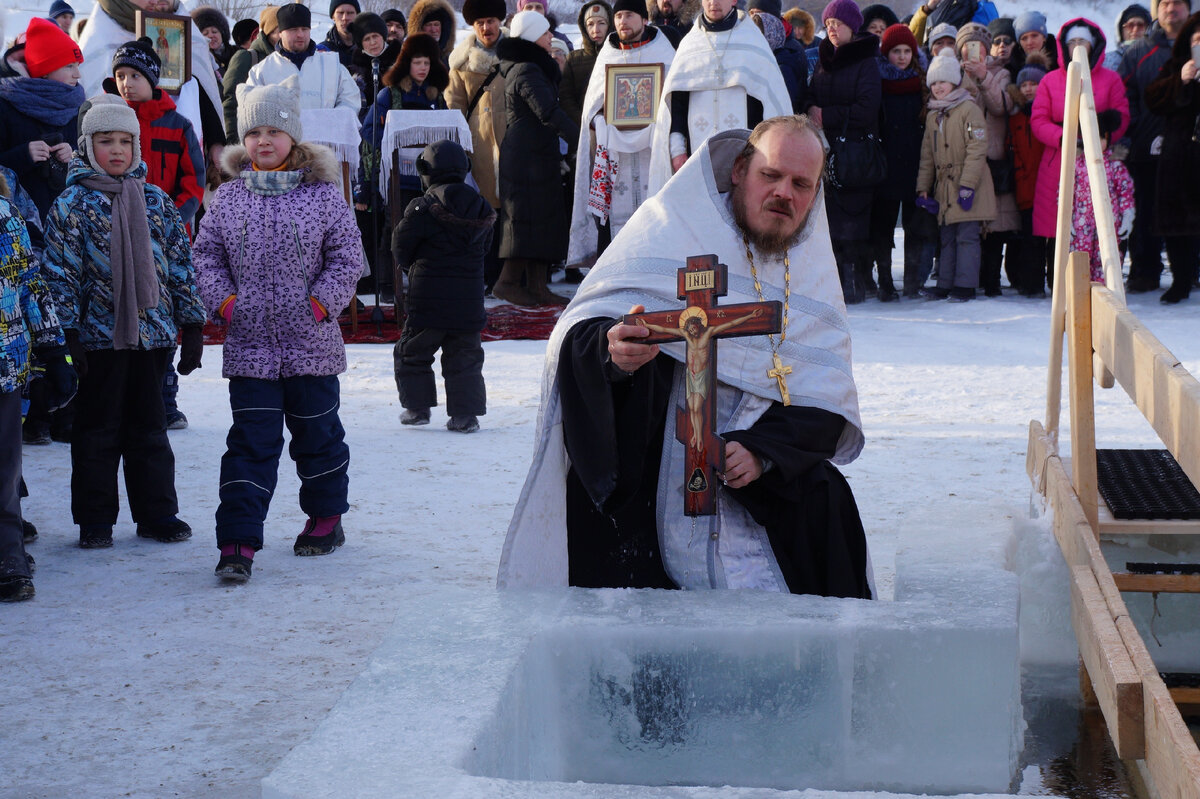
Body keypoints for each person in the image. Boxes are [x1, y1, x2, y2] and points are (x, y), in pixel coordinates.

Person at [498, 117, 871, 598]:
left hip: (756, 484)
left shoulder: (812, 270)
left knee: (827, 509)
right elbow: (586, 328)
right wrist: (614, 353)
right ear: (739, 170)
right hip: (653, 459)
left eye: (802, 184)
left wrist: (766, 451)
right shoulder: (668, 228)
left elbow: (826, 396)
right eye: (771, 175)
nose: (785, 193)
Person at [193, 83, 361, 582]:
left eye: (275, 130)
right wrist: (224, 302)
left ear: (293, 136)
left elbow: (348, 258)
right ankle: (238, 543)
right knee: (250, 443)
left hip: (311, 346)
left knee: (318, 436)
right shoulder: (227, 199)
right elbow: (205, 257)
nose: (264, 140)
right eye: (254, 131)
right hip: (250, 350)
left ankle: (326, 519)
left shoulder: (324, 196)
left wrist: (318, 304)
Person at [42, 95, 205, 549]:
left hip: (152, 336)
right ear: (87, 147)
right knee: (96, 431)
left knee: (149, 429)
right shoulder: (71, 204)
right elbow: (59, 273)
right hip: (98, 339)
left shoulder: (155, 202)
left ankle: (158, 514)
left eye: (125, 141)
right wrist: (67, 336)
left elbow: (179, 265)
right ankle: (96, 520)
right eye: (105, 141)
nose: (116, 150)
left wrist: (191, 326)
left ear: (137, 146)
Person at [105, 38, 206, 430]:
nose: (127, 83)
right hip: (115, 234)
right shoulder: (108, 123)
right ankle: (121, 397)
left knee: (162, 316)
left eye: (134, 75)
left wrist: (174, 221)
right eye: (120, 75)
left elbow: (193, 182)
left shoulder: (178, 125)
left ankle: (165, 398)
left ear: (152, 77)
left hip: (166, 240)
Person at [0, 172, 75, 602]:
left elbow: (30, 284)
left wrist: (54, 350)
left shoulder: (6, 215)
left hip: (4, 365)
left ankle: (7, 554)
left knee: (3, 467)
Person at [392, 140, 494, 433]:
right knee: (465, 358)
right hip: (469, 301)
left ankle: (418, 408)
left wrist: (413, 266)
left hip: (428, 301)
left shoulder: (422, 207)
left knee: (412, 352)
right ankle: (465, 416)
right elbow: (484, 247)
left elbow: (401, 246)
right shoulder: (481, 206)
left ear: (426, 171)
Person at [566, 0, 675, 268]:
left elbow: (677, 101)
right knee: (613, 222)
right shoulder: (609, 54)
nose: (622, 22)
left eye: (629, 15)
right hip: (616, 155)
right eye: (618, 16)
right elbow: (591, 108)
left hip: (653, 152)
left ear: (644, 19)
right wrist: (599, 122)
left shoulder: (664, 52)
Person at [648, 0, 790, 189]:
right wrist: (677, 151)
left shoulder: (752, 42)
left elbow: (767, 106)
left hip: (745, 158)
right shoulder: (690, 45)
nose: (714, 3)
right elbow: (677, 105)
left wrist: (760, 155)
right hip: (695, 159)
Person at [493, 10, 579, 306]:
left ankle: (538, 287)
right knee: (524, 219)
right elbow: (548, 112)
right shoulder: (527, 70)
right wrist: (580, 138)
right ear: (531, 36)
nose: (550, 37)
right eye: (544, 33)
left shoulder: (529, 66)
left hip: (535, 152)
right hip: (526, 155)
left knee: (541, 218)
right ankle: (507, 283)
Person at [77, 0, 226, 164]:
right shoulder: (101, 37)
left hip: (177, 155)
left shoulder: (184, 31)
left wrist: (215, 141)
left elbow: (200, 89)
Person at [806, 0, 883, 304]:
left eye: (838, 23)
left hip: (856, 153)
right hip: (826, 150)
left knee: (854, 220)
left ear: (853, 26)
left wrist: (826, 114)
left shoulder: (866, 62)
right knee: (831, 221)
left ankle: (854, 283)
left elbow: (867, 108)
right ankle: (833, 283)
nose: (833, 30)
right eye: (828, 25)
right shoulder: (825, 60)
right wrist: (811, 107)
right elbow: (811, 95)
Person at [1031, 19, 1128, 259]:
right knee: (1059, 226)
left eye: (1081, 41)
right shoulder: (1050, 80)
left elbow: (1122, 115)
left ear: (1093, 45)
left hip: (1097, 156)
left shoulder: (1111, 79)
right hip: (1060, 156)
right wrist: (1064, 137)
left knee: (1099, 225)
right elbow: (1039, 119)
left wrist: (1104, 137)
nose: (1076, 46)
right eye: (1071, 41)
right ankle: (1058, 286)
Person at [1119, 0, 1194, 295]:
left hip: (1190, 149)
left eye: (1178, 2)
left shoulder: (1196, 45)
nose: (1171, 8)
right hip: (1145, 149)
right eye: (1165, 2)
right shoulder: (1138, 51)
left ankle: (1188, 274)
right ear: (1156, 9)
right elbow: (1125, 96)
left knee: (1190, 211)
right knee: (1145, 212)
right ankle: (1145, 272)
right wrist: (1135, 131)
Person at [917, 53, 996, 301]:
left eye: (943, 82)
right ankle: (945, 283)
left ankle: (965, 284)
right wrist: (923, 188)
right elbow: (928, 154)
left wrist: (967, 185)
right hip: (945, 188)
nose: (938, 87)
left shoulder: (969, 109)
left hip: (969, 184)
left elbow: (977, 148)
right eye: (934, 83)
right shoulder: (933, 115)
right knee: (947, 237)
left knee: (967, 236)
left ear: (954, 82)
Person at [446, 0, 507, 292]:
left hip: (513, 145)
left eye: (491, 20)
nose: (486, 27)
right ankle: (485, 274)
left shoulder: (516, 53)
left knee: (513, 211)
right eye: (480, 22)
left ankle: (511, 275)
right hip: (478, 145)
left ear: (500, 21)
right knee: (484, 213)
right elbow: (454, 105)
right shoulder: (461, 63)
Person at [0, 18, 85, 220]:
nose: (78, 74)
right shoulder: (6, 105)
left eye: (78, 65)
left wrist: (74, 156)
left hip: (68, 223)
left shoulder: (78, 105)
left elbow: (93, 163)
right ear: (45, 70)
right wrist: (24, 154)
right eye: (69, 66)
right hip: (18, 224)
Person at [872, 23, 934, 298]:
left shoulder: (922, 83)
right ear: (886, 53)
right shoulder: (878, 83)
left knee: (915, 226)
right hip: (886, 164)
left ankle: (912, 281)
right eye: (895, 51)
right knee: (883, 226)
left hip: (914, 163)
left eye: (907, 51)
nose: (901, 56)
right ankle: (884, 279)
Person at [957, 22, 1018, 297]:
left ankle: (992, 281)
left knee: (995, 226)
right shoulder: (954, 73)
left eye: (980, 46)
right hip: (963, 157)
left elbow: (999, 106)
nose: (976, 51)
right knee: (968, 223)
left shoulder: (1000, 73)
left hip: (993, 158)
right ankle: (969, 278)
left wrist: (983, 76)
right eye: (970, 46)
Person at [1143, 10, 1200, 303]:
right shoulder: (1176, 65)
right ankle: (1180, 281)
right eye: (1198, 39)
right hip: (1179, 158)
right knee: (1178, 225)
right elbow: (1152, 98)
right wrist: (1181, 79)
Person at [245, 3, 359, 113]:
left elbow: (350, 100)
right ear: (280, 32)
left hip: (324, 132)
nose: (300, 34)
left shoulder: (331, 65)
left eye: (304, 29)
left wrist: (329, 121)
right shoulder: (262, 71)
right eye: (293, 30)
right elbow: (252, 109)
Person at [1069, 109, 1135, 285]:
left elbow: (1125, 191)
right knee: (1081, 258)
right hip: (1081, 224)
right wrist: (1066, 217)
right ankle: (1081, 293)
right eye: (1092, 139)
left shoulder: (1115, 165)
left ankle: (1106, 293)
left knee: (1106, 258)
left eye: (1101, 138)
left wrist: (1127, 215)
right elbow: (1066, 191)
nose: (1097, 144)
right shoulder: (1076, 165)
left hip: (1108, 223)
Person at [1007, 52, 1050, 296]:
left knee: (1052, 239)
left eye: (1034, 84)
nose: (1028, 89)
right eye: (1024, 85)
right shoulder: (1015, 118)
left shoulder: (1052, 114)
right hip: (1025, 186)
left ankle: (1055, 282)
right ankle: (1031, 283)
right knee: (1029, 238)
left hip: (1048, 185)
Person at [223, 6, 279, 143]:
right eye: (279, 30)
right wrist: (233, 139)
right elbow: (230, 98)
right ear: (269, 32)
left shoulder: (284, 60)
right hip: (249, 139)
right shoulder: (246, 57)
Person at [560, 2, 613, 128]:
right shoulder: (573, 59)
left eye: (601, 23)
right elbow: (566, 98)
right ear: (584, 27)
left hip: (614, 132)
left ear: (609, 25)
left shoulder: (619, 56)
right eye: (590, 24)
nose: (596, 30)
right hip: (582, 131)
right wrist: (586, 122)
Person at [347, 12, 402, 119]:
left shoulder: (401, 61)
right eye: (367, 39)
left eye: (375, 36)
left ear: (383, 36)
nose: (372, 42)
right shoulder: (353, 72)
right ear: (361, 44)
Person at [407, 0, 457, 67]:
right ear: (420, 28)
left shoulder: (452, 59)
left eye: (436, 24)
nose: (433, 30)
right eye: (428, 25)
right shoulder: (409, 57)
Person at [191, 6, 235, 79]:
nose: (210, 35)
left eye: (214, 31)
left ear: (222, 33)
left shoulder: (236, 53)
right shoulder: (196, 60)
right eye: (205, 33)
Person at [1105, 4, 1152, 70]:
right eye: (1130, 25)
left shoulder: (1156, 59)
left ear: (1148, 29)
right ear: (1121, 31)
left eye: (1140, 25)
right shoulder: (1107, 61)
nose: (1135, 29)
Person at [321, 0, 359, 67]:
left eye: (350, 13)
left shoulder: (368, 50)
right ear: (333, 16)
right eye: (340, 13)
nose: (345, 18)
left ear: (357, 16)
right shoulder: (323, 52)